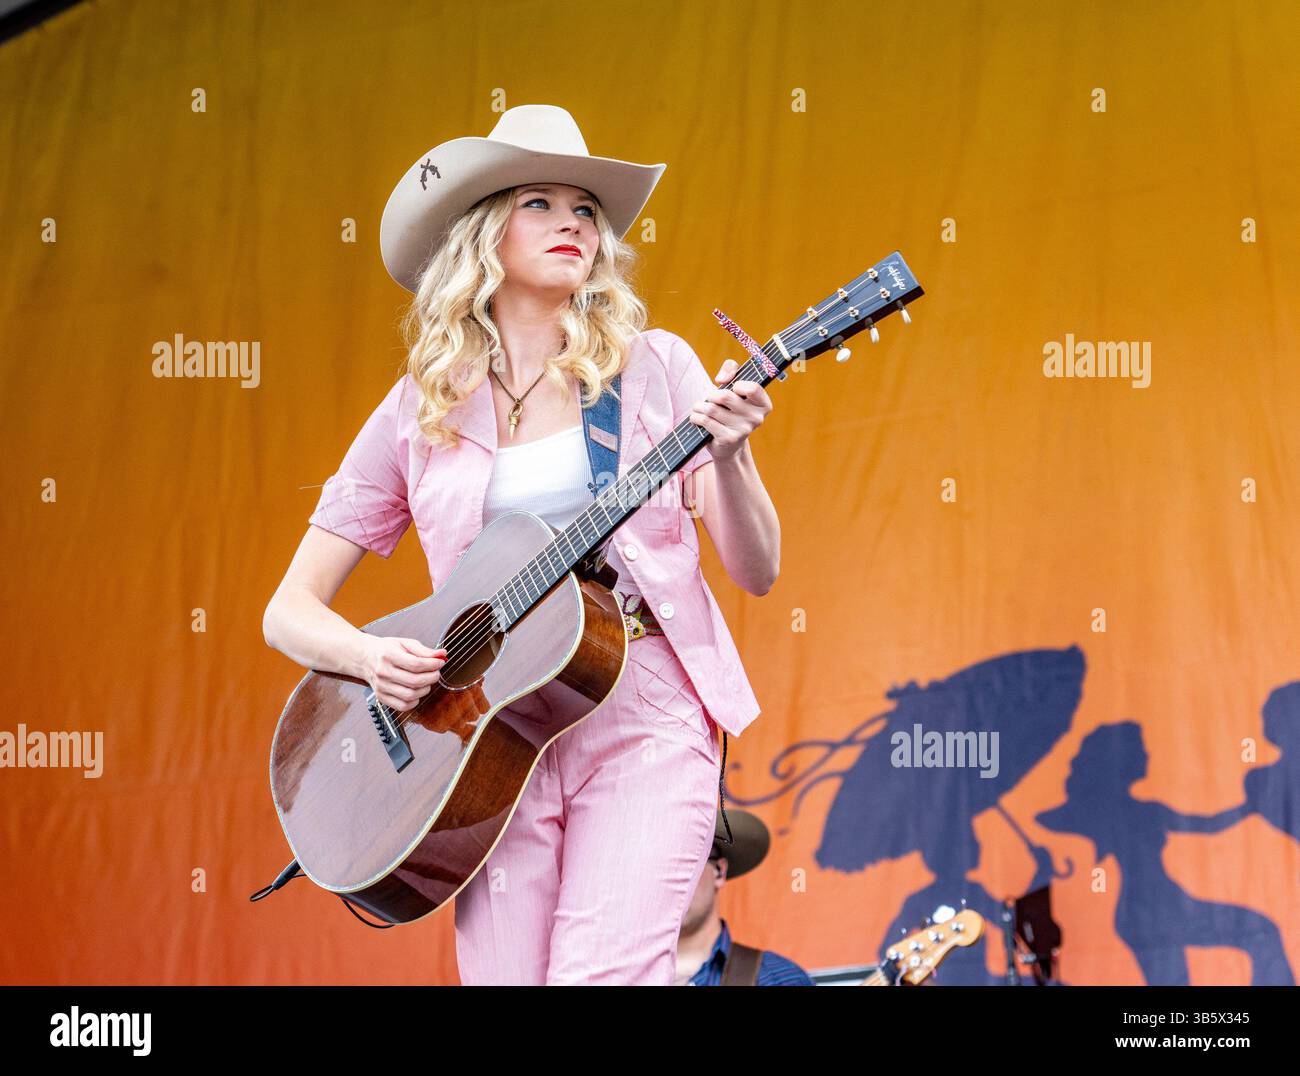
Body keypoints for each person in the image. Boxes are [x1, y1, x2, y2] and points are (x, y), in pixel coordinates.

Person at [262, 104, 781, 985]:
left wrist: (730, 459)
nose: (573, 222)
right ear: (481, 234)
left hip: (644, 710)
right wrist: (370, 655)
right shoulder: (417, 414)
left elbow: (757, 571)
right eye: (539, 202)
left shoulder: (656, 367)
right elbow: (288, 610)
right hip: (485, 740)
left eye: (585, 208)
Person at [675, 808, 815, 985]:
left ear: (719, 871)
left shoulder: (778, 980)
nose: (670, 880)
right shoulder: (629, 974)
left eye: (685, 862)